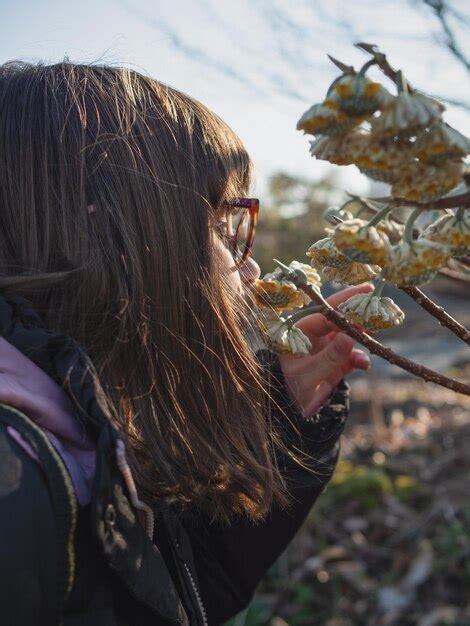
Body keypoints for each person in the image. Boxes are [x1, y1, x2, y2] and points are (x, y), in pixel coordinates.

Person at [0, 61, 372, 626]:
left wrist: (278, 423)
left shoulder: (72, 426)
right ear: (121, 236)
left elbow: (155, 593)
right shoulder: (15, 485)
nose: (247, 272)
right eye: (226, 228)